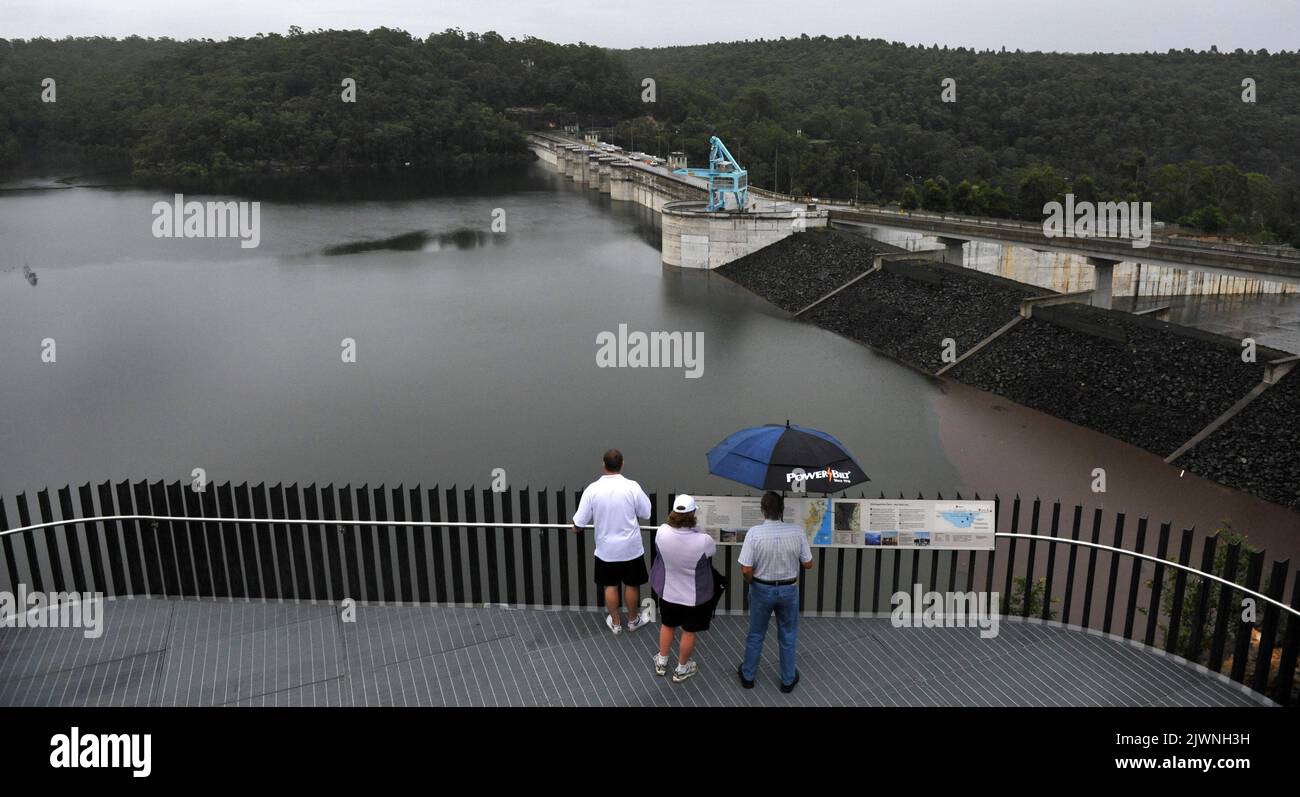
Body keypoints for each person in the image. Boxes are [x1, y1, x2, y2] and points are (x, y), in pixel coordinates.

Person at [737, 491, 813, 693]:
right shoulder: (797, 531)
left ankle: (748, 676)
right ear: (782, 510)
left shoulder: (754, 533)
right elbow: (808, 564)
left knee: (755, 634)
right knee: (787, 635)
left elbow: (745, 568)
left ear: (762, 509)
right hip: (788, 589)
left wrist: (752, 582)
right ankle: (788, 680)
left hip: (761, 588)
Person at [572, 448, 653, 635]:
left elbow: (579, 522)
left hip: (606, 550)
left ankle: (616, 624)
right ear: (622, 464)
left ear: (603, 465)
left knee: (610, 585)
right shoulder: (632, 487)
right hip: (631, 548)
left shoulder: (593, 489)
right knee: (632, 584)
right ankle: (633, 620)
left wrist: (575, 528)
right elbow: (646, 513)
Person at [649, 494, 716, 683]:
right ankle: (681, 668)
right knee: (688, 631)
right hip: (694, 597)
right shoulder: (704, 540)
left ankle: (661, 662)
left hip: (669, 593)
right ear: (693, 514)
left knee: (667, 625)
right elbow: (710, 553)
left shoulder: (662, 532)